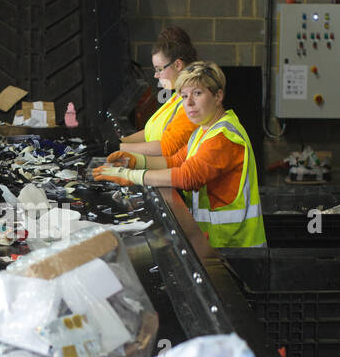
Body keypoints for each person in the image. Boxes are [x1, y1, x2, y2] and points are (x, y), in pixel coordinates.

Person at [94, 60, 266, 249]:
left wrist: (130, 176)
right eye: (184, 96)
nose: (189, 103)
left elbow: (187, 176)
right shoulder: (204, 130)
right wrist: (135, 161)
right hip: (218, 241)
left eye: (197, 94)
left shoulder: (224, 137)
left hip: (237, 248)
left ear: (218, 96)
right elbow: (176, 161)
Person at [111, 27, 198, 170]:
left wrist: (118, 147)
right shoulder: (176, 96)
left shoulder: (191, 103)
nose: (156, 75)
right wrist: (119, 142)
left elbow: (166, 148)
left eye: (159, 69)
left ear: (177, 64)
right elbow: (150, 132)